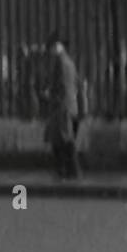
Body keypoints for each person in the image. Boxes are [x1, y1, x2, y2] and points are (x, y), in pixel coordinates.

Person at [43, 29, 82, 179]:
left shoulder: (61, 62)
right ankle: (66, 171)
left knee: (63, 140)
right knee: (60, 140)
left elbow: (62, 86)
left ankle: (70, 170)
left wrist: (51, 95)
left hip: (62, 107)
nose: (51, 50)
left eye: (52, 46)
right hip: (69, 105)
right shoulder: (69, 62)